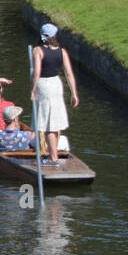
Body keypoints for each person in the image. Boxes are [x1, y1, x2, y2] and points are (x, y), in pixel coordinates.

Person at [30, 23, 79, 166]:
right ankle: (54, 154)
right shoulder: (62, 51)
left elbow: (37, 73)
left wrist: (33, 89)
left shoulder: (37, 50)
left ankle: (53, 158)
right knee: (55, 122)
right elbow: (69, 74)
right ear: (54, 36)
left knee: (47, 125)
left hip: (44, 86)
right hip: (57, 85)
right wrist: (74, 93)